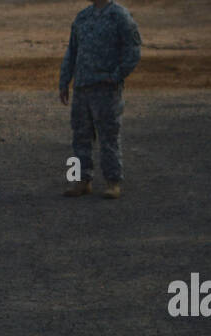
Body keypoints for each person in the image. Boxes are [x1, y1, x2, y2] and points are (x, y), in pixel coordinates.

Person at [59, 0, 142, 199]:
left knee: (108, 136)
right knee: (80, 136)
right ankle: (82, 180)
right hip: (82, 87)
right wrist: (64, 80)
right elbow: (72, 50)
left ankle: (113, 182)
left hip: (106, 89)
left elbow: (133, 49)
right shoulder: (83, 17)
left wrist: (116, 76)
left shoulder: (119, 16)